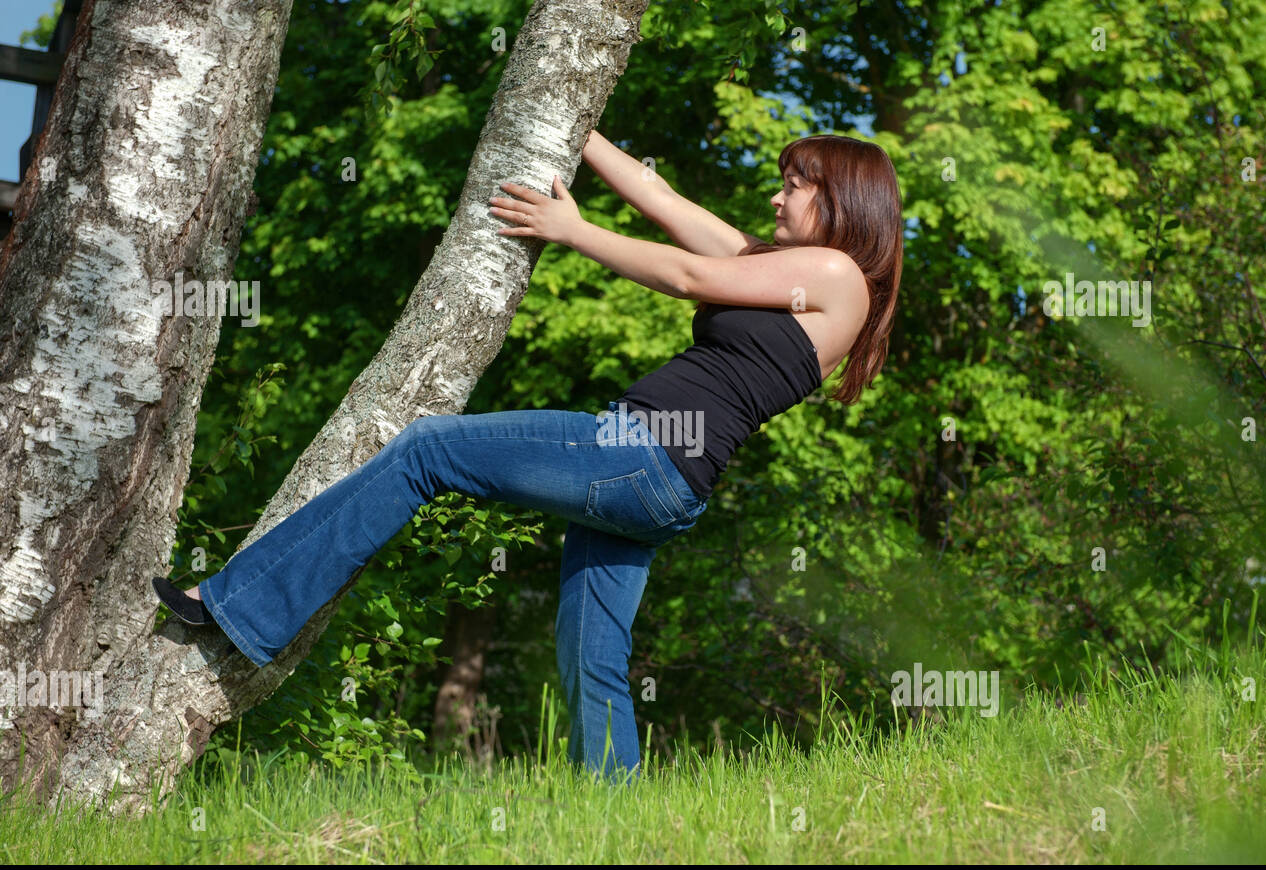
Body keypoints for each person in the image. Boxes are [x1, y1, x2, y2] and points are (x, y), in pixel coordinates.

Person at [153, 129, 903, 784]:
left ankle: (239, 608)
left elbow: (688, 276)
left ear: (842, 199)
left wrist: (569, 229)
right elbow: (661, 198)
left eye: (795, 186)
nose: (777, 198)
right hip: (661, 480)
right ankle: (614, 819)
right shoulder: (778, 265)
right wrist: (578, 131)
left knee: (426, 451)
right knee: (590, 651)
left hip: (640, 454)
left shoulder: (837, 278)